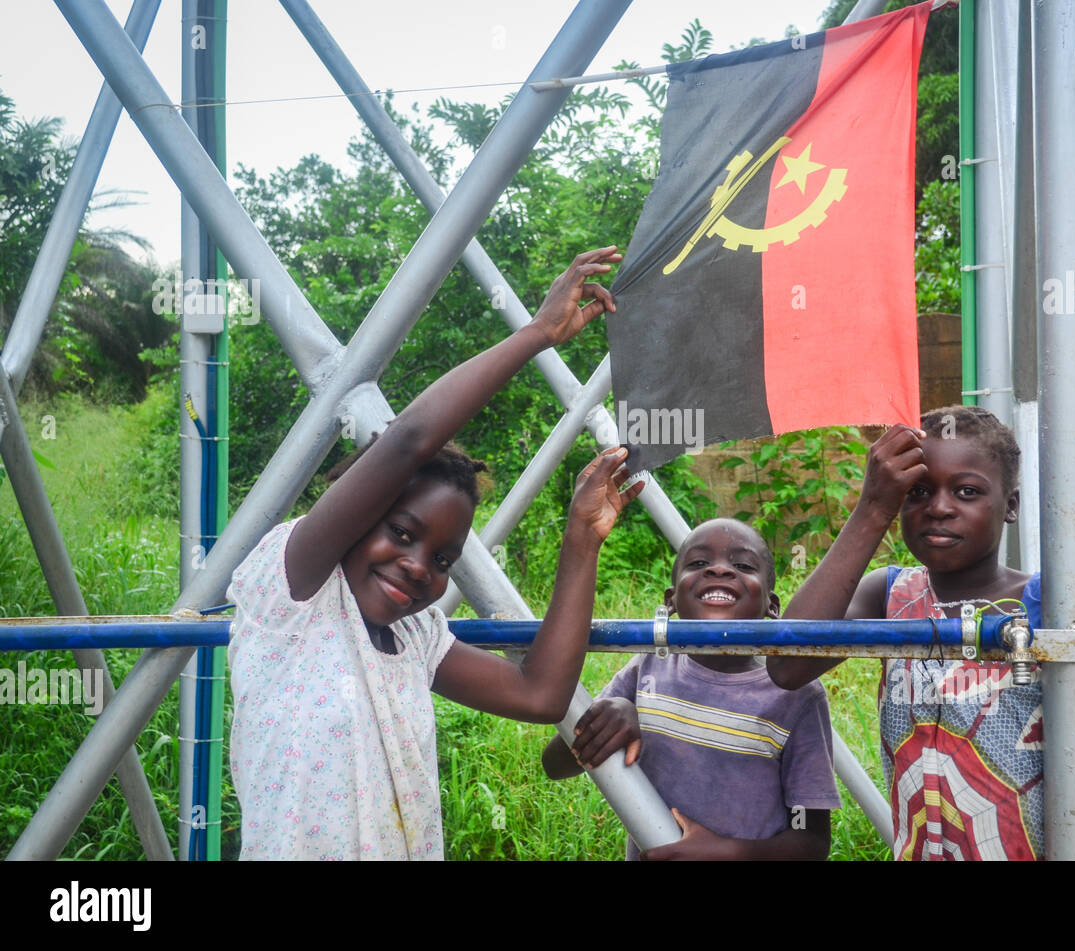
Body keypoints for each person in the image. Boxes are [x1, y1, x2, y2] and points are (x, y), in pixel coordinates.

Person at [227, 247, 643, 860]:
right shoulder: (296, 590)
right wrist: (535, 335)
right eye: (400, 532)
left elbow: (540, 695)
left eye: (443, 559)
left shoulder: (418, 636)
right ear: (358, 510)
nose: (421, 566)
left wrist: (582, 537)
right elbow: (407, 443)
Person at [768, 406, 1075, 860]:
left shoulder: (1050, 605)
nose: (938, 508)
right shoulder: (890, 596)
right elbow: (787, 663)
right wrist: (872, 508)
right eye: (917, 492)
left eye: (966, 491)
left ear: (1010, 505)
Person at [541, 518, 841, 860]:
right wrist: (608, 717)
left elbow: (811, 840)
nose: (718, 570)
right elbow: (555, 765)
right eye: (699, 563)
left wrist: (726, 853)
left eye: (742, 565)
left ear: (772, 607)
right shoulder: (648, 668)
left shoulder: (797, 696)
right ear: (671, 600)